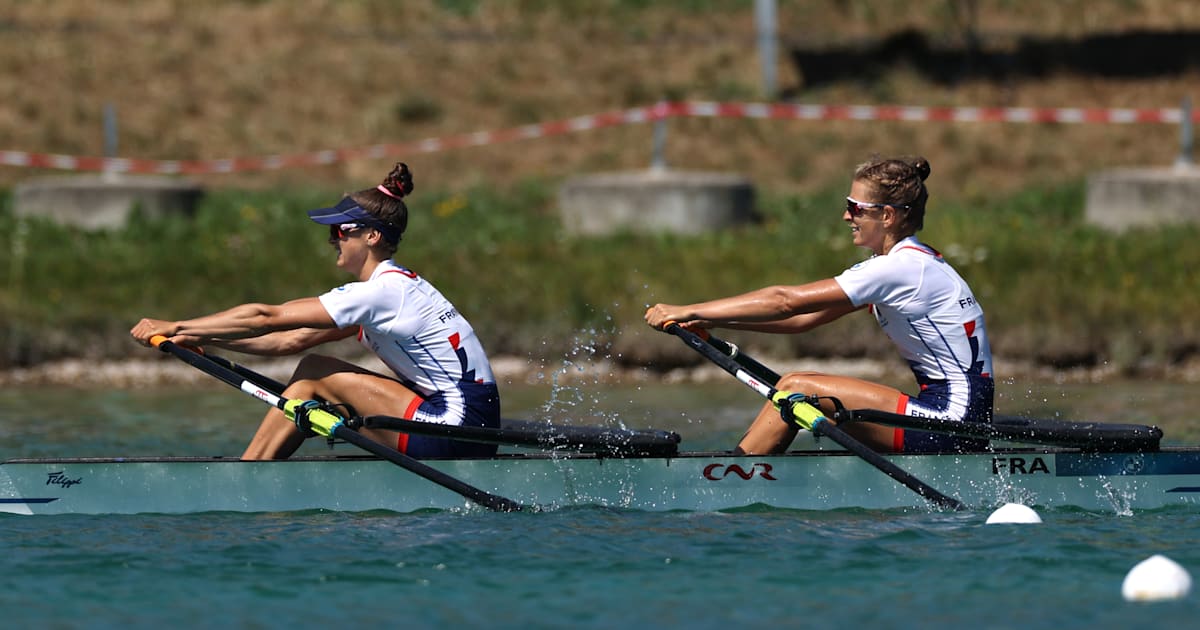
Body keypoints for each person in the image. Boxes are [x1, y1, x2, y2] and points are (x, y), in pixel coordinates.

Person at [130, 162, 501, 460]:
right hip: (470, 426)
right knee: (312, 369)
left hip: (455, 427)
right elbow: (286, 341)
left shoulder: (381, 293)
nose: (332, 240)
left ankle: (248, 478)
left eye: (340, 231)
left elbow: (265, 318)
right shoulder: (392, 291)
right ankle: (257, 468)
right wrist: (196, 339)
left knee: (313, 379)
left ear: (371, 236)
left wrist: (176, 323)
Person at [645, 156, 993, 455]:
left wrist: (690, 310)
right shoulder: (911, 262)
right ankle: (743, 468)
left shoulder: (900, 268)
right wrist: (714, 325)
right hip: (954, 417)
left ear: (887, 216)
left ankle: (733, 477)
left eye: (855, 208)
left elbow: (786, 302)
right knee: (796, 383)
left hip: (952, 422)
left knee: (797, 388)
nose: (846, 216)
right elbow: (802, 321)